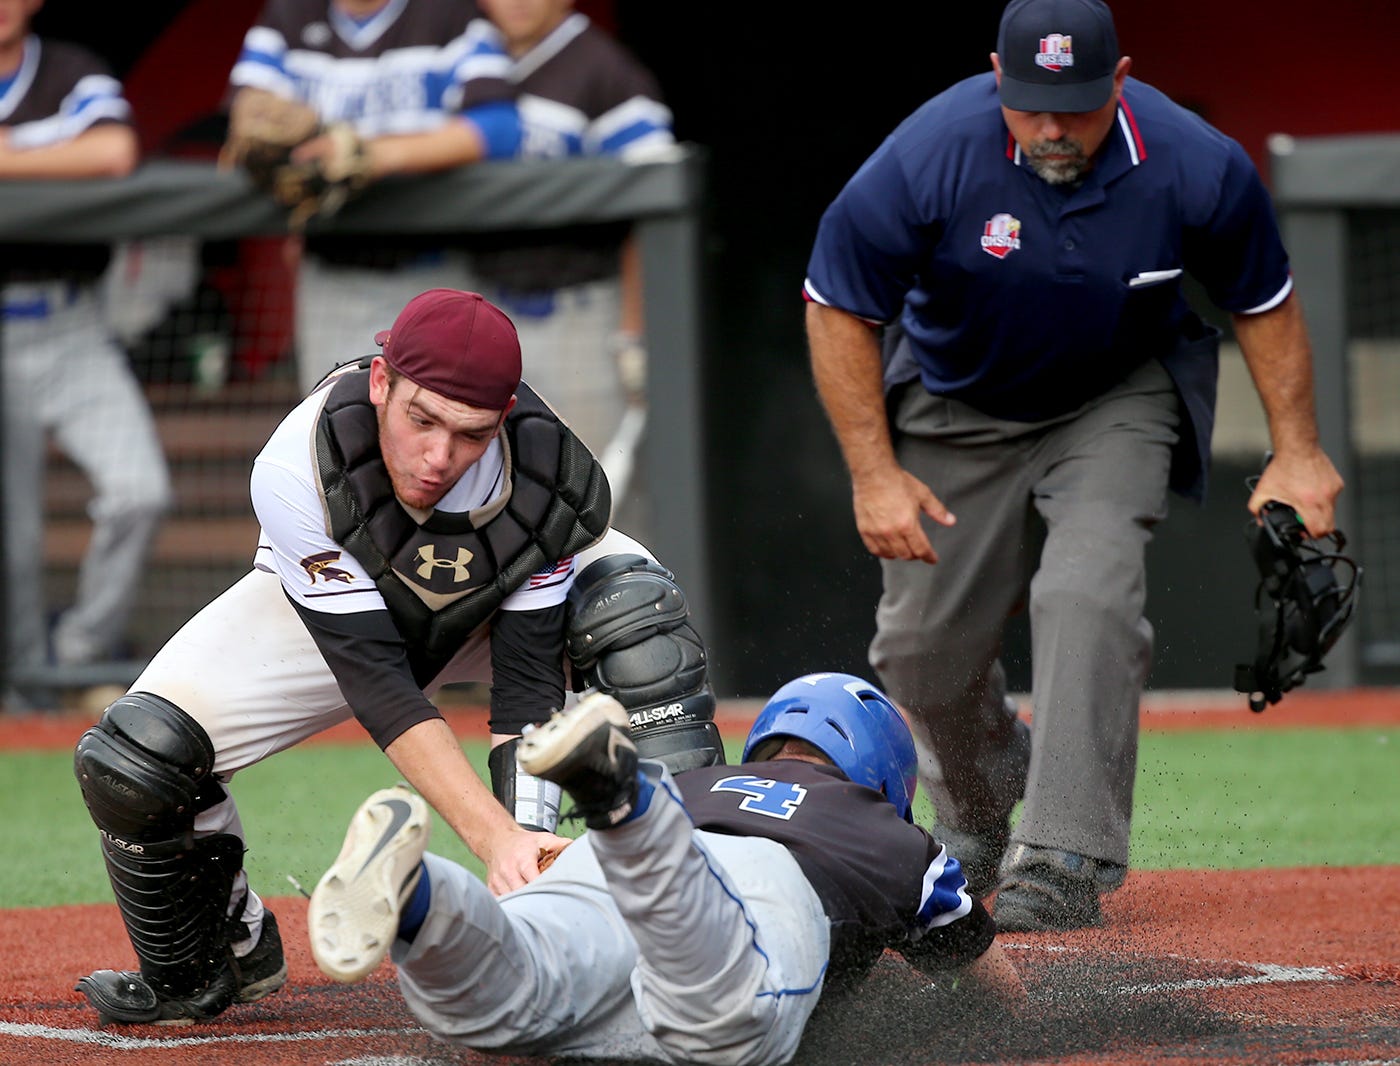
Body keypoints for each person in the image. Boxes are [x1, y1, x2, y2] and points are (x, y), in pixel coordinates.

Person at [802, 0, 1344, 932]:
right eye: (1030, 105)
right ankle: (976, 814)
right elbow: (836, 303)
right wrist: (874, 473)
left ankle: (1063, 851)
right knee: (922, 648)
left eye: (1078, 104)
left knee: (1086, 591)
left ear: (1122, 79)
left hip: (1115, 398)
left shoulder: (1196, 162)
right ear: (995, 79)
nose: (1052, 126)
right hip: (953, 397)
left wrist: (1297, 450)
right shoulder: (932, 151)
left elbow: (1265, 299)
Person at [71, 286, 725, 1025]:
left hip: (493, 616)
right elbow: (380, 683)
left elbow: (526, 681)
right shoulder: (299, 468)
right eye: (421, 420)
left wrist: (521, 839)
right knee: (135, 761)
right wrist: (492, 836)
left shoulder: (549, 480)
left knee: (637, 623)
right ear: (381, 382)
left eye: (472, 434)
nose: (440, 456)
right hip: (357, 619)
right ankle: (215, 957)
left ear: (503, 419)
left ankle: (711, 920)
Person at [305, 672, 1026, 1065]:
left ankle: (425, 899)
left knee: (508, 994)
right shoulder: (881, 832)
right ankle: (624, 805)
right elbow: (996, 989)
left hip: (605, 863)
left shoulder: (704, 782)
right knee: (722, 1025)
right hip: (753, 884)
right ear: (884, 776)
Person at [0, 0, 173, 697]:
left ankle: (75, 656)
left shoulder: (70, 71)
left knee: (141, 491)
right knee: (12, 539)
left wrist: (6, 157)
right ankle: (17, 686)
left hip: (71, 326)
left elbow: (113, 149)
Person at [223, 0, 521, 395]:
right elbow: (248, 110)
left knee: (435, 422)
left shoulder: (449, 12)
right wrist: (259, 126)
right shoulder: (289, 15)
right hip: (330, 272)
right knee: (337, 426)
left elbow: (501, 128)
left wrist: (377, 154)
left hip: (435, 272)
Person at [468, 0, 678, 528]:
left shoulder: (604, 69)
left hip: (580, 311)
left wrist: (633, 329)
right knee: (488, 494)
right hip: (482, 305)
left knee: (594, 497)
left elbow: (651, 207)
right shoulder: (466, 59)